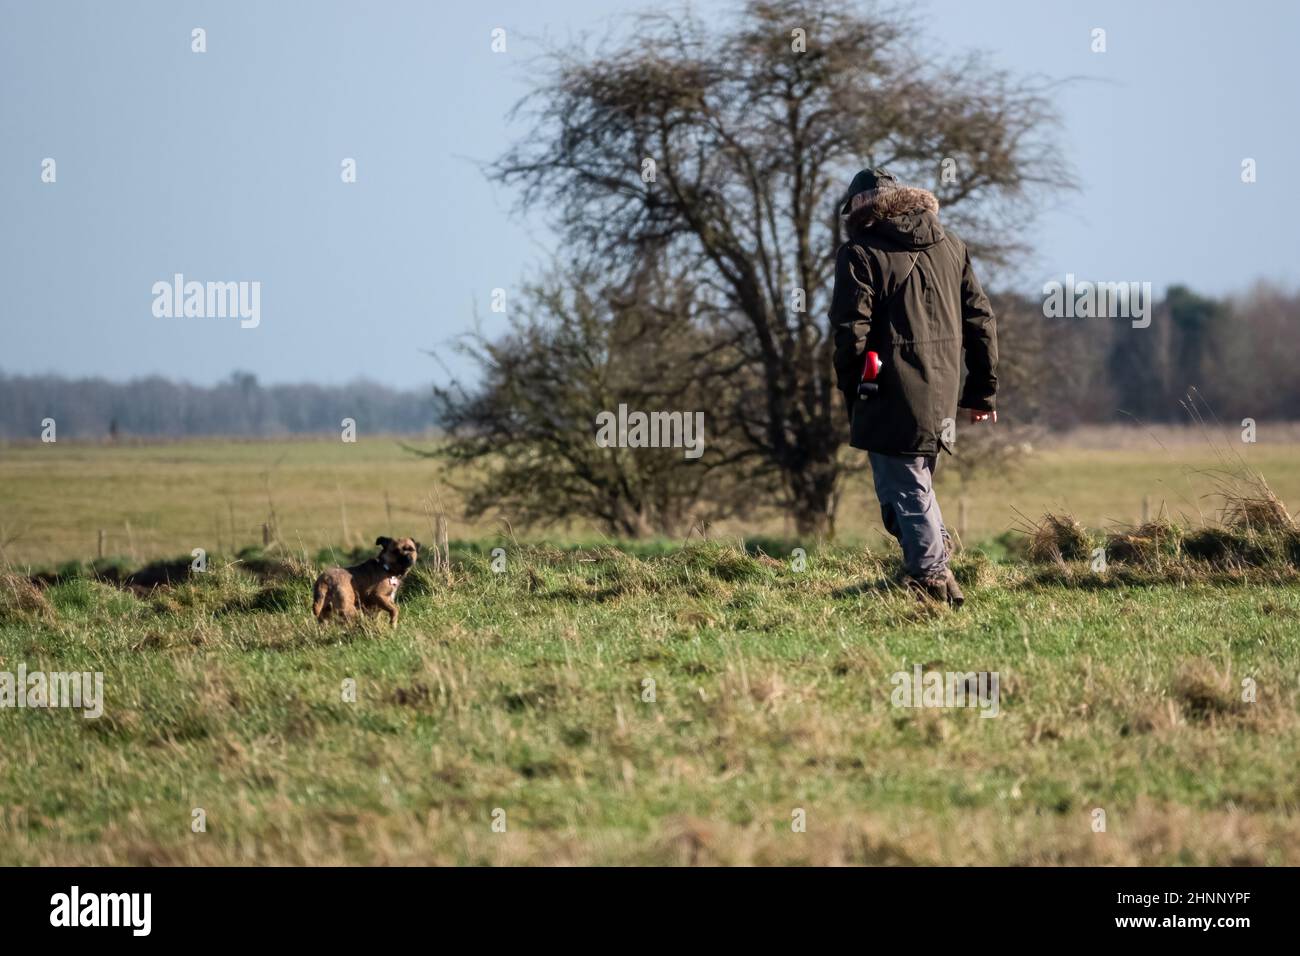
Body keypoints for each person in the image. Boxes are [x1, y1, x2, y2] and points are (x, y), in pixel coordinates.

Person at [828, 168, 999, 606]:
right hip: (941, 394)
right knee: (911, 489)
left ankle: (931, 583)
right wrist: (980, 391)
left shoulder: (859, 254)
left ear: (858, 209)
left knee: (904, 490)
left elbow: (851, 331)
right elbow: (981, 320)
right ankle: (938, 567)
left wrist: (853, 387)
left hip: (890, 391)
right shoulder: (952, 246)